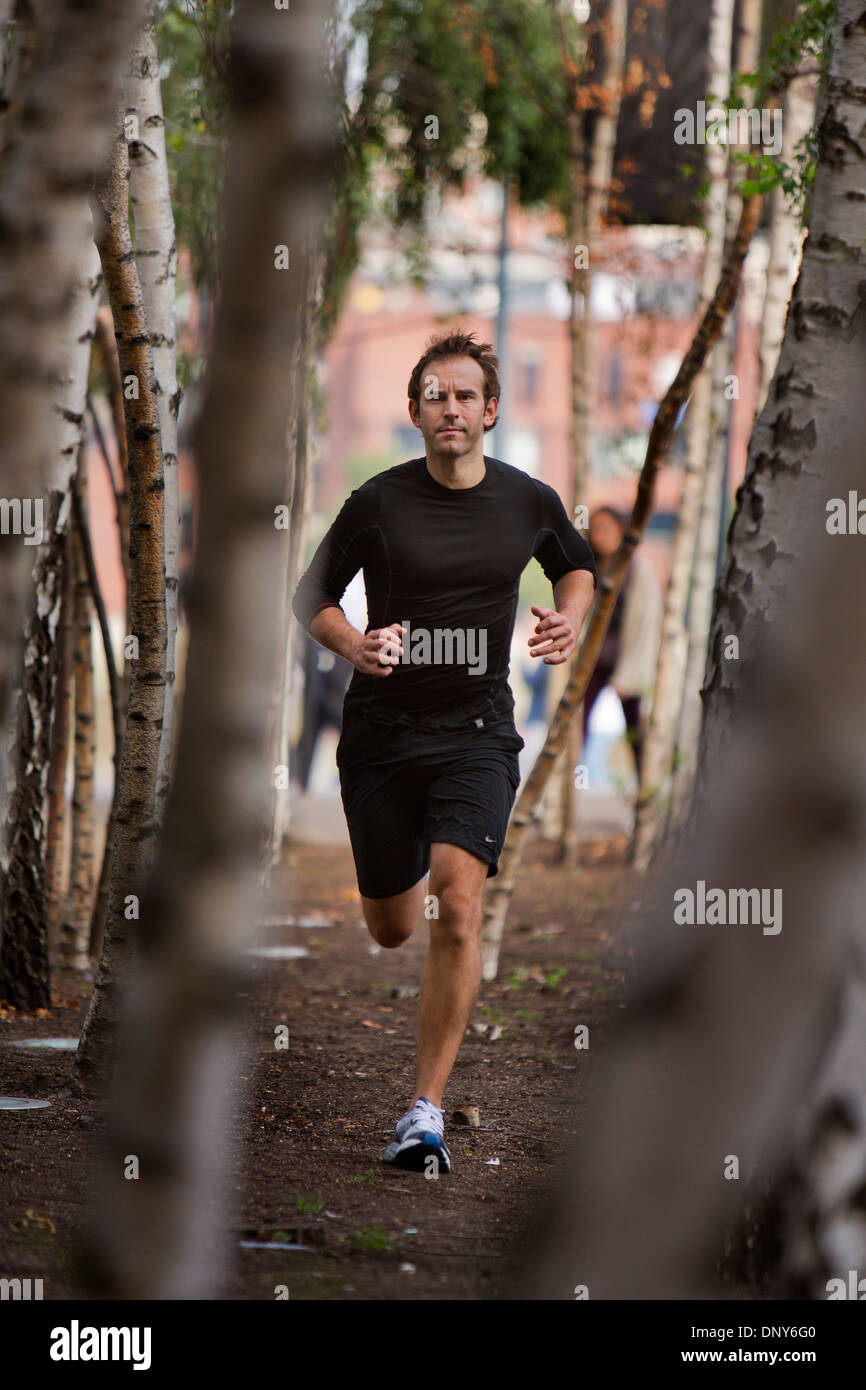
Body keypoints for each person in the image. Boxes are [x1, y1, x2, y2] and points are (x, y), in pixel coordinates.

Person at [291, 329, 597, 1174]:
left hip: (476, 734)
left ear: (490, 410)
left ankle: (423, 1110)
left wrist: (568, 614)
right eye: (436, 395)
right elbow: (311, 594)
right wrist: (352, 644)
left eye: (465, 396)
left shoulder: (527, 499)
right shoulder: (378, 502)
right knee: (394, 929)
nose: (450, 408)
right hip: (382, 737)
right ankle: (411, 864)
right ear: (416, 411)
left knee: (457, 908)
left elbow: (577, 565)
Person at [584, 506, 663, 779]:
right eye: (594, 530)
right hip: (594, 659)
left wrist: (628, 676)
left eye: (606, 530)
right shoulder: (587, 570)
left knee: (635, 731)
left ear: (621, 532)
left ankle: (644, 792)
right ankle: (561, 795)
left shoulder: (638, 572)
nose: (599, 536)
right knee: (576, 723)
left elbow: (645, 626)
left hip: (629, 660)